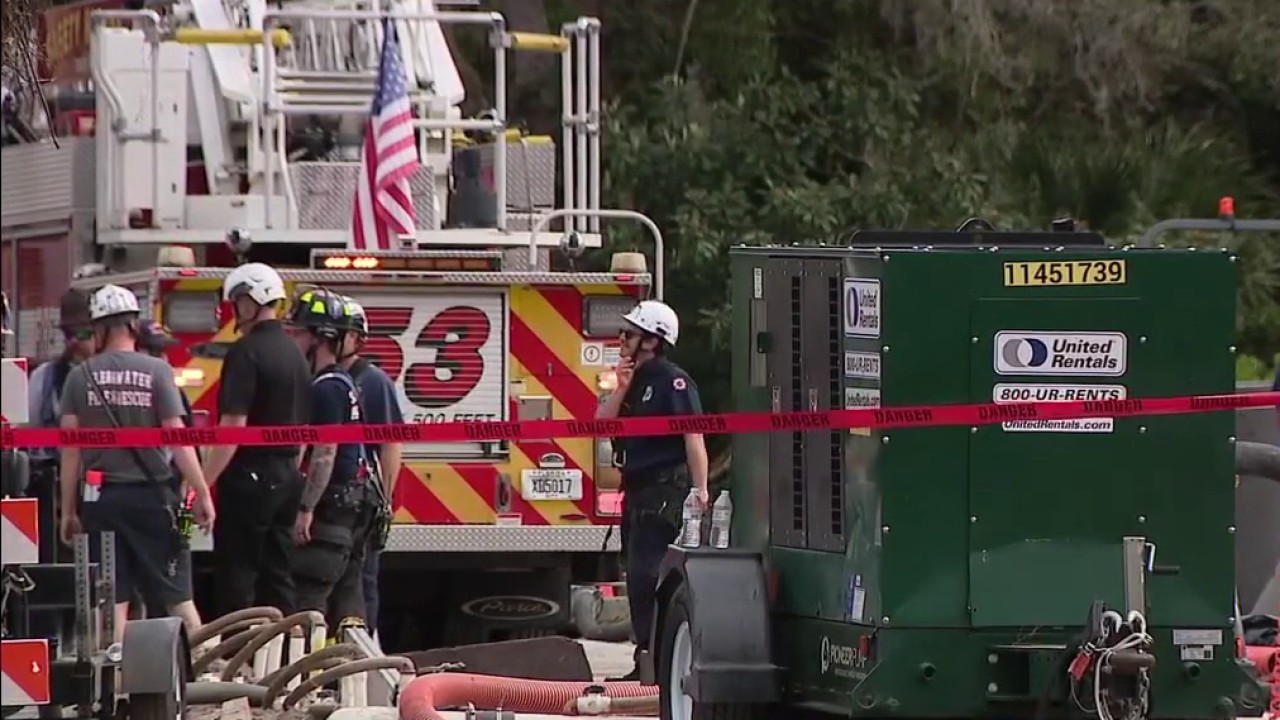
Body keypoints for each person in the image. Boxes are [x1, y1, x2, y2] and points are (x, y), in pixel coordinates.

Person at [56, 284, 215, 642]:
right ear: (133, 325)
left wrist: (68, 511)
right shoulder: (157, 371)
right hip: (153, 499)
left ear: (98, 329)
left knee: (113, 600)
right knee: (178, 597)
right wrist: (202, 492)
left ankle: (117, 670)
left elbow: (71, 451)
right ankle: (203, 665)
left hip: (102, 502)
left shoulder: (79, 377)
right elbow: (177, 439)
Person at [594, 299, 710, 680]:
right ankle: (645, 662)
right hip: (637, 492)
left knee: (648, 575)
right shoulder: (633, 382)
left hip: (662, 491)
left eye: (629, 333)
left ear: (651, 340)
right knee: (636, 578)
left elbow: (694, 437)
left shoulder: (672, 382)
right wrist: (620, 388)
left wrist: (701, 490)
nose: (621, 338)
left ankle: (656, 665)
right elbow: (601, 426)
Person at [203, 262, 312, 616]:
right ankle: (287, 644)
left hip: (249, 477)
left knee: (238, 572)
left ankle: (241, 646)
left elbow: (233, 426)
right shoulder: (296, 354)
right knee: (278, 573)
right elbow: (303, 427)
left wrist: (202, 485)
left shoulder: (245, 352)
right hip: (288, 475)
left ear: (250, 301)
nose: (235, 311)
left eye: (237, 302)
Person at [285, 288, 379, 628]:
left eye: (299, 333)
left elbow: (325, 454)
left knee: (308, 604)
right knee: (348, 606)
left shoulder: (326, 387)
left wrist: (305, 508)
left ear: (320, 338)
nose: (293, 340)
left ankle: (310, 661)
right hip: (353, 506)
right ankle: (352, 659)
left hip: (332, 510)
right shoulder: (343, 382)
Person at [339, 298, 401, 641]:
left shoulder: (373, 382)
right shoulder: (319, 376)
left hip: (360, 502)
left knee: (363, 580)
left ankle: (367, 647)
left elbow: (390, 444)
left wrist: (385, 502)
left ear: (355, 339)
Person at [26, 289, 96, 559]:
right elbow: (29, 431)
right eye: (69, 334)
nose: (75, 342)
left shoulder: (108, 375)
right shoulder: (44, 378)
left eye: (83, 333)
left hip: (101, 486)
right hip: (55, 484)